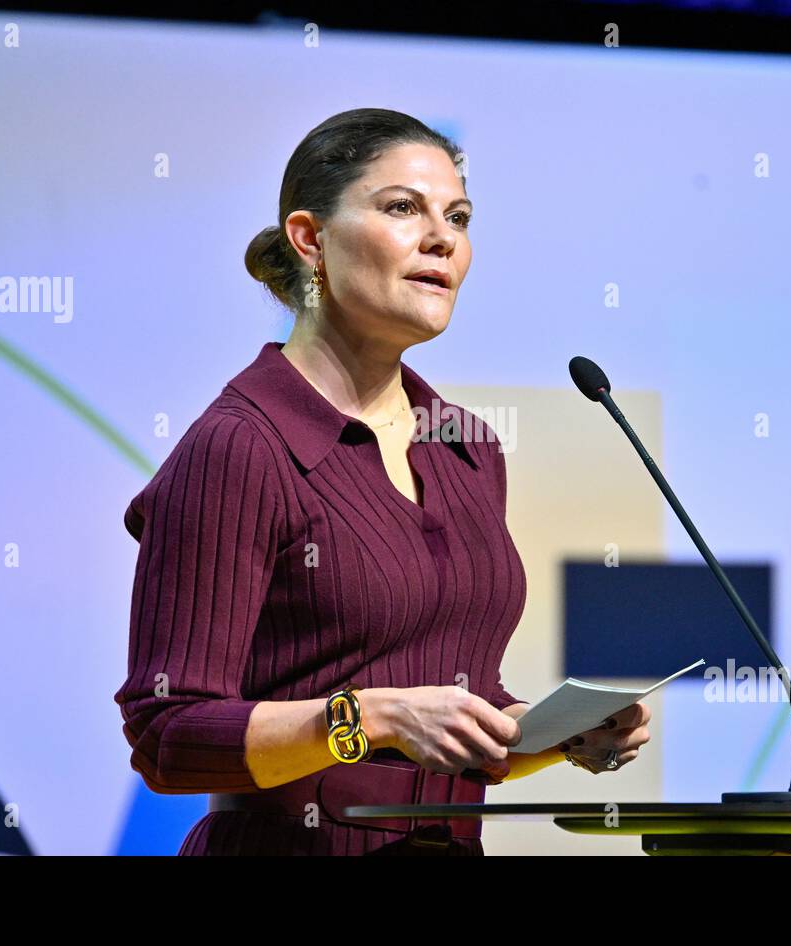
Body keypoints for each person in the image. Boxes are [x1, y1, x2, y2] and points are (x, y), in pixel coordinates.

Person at [113, 107, 650, 855]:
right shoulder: (239, 447)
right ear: (310, 241)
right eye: (402, 208)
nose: (442, 238)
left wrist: (557, 733)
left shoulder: (465, 446)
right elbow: (168, 735)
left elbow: (449, 711)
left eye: (457, 217)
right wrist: (368, 719)